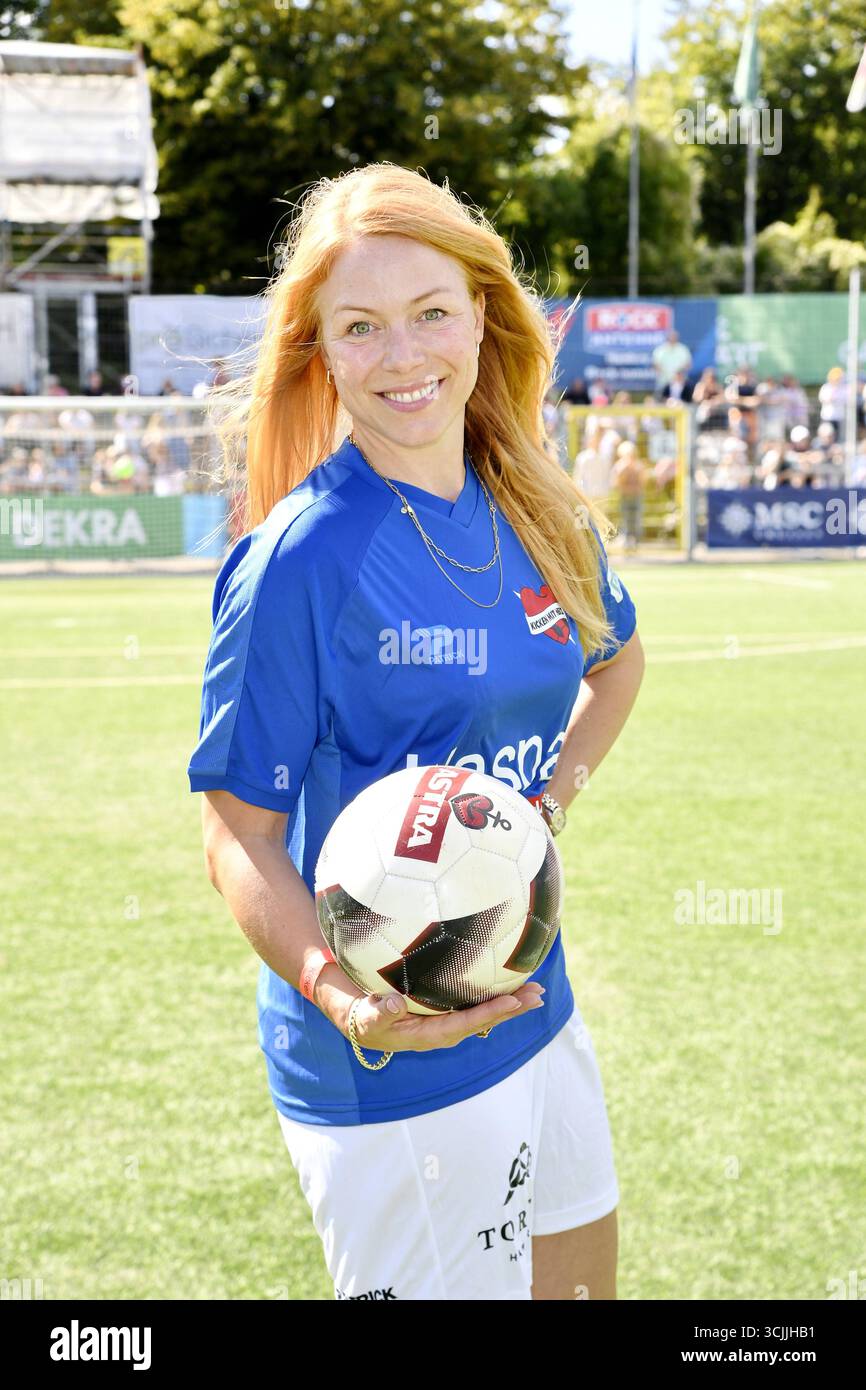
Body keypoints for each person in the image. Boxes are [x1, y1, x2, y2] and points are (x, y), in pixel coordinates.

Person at [187, 164, 645, 1302]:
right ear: (322, 352)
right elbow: (236, 833)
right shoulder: (300, 559)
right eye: (361, 327)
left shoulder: (531, 502)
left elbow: (616, 661)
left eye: (431, 312)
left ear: (482, 315)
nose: (404, 357)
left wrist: (536, 812)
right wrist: (349, 1001)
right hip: (390, 1060)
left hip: (534, 1001)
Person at [611, 440, 648, 551]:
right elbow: (615, 483)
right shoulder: (619, 466)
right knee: (626, 519)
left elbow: (643, 482)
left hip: (636, 496)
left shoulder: (639, 465)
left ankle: (635, 540)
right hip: (625, 496)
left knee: (636, 519)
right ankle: (627, 540)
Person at [651, 330, 691, 401]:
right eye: (671, 337)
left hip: (680, 383)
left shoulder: (683, 349)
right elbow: (655, 365)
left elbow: (688, 364)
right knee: (660, 401)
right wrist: (667, 375)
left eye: (674, 337)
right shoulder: (660, 350)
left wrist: (678, 375)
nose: (673, 338)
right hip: (664, 382)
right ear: (667, 338)